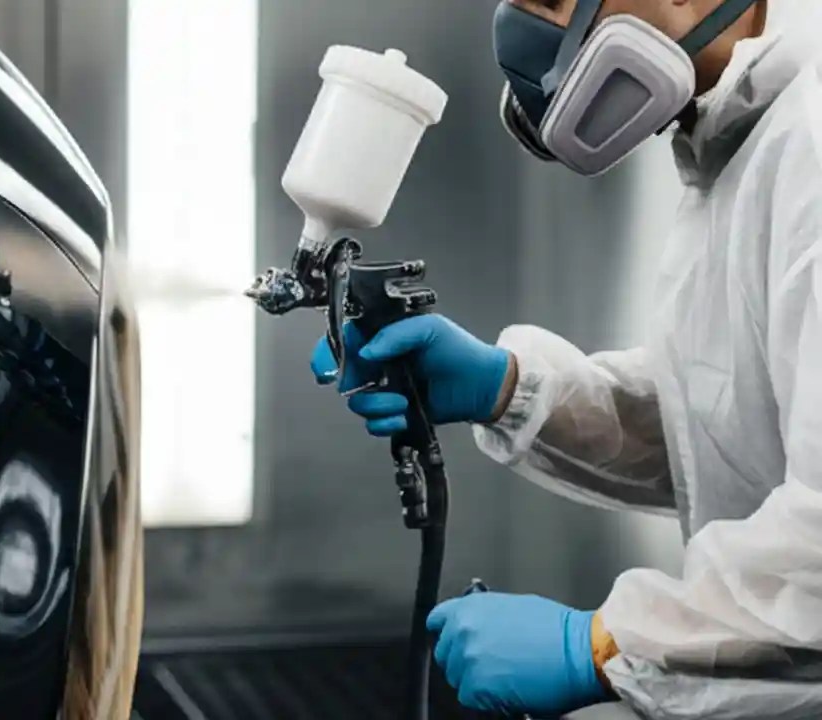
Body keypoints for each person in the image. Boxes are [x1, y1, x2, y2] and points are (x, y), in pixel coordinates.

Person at [311, 0, 822, 717]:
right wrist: (510, 390)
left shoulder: (811, 137)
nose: (527, 36)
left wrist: (606, 644)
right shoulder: (735, 143)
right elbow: (730, 424)